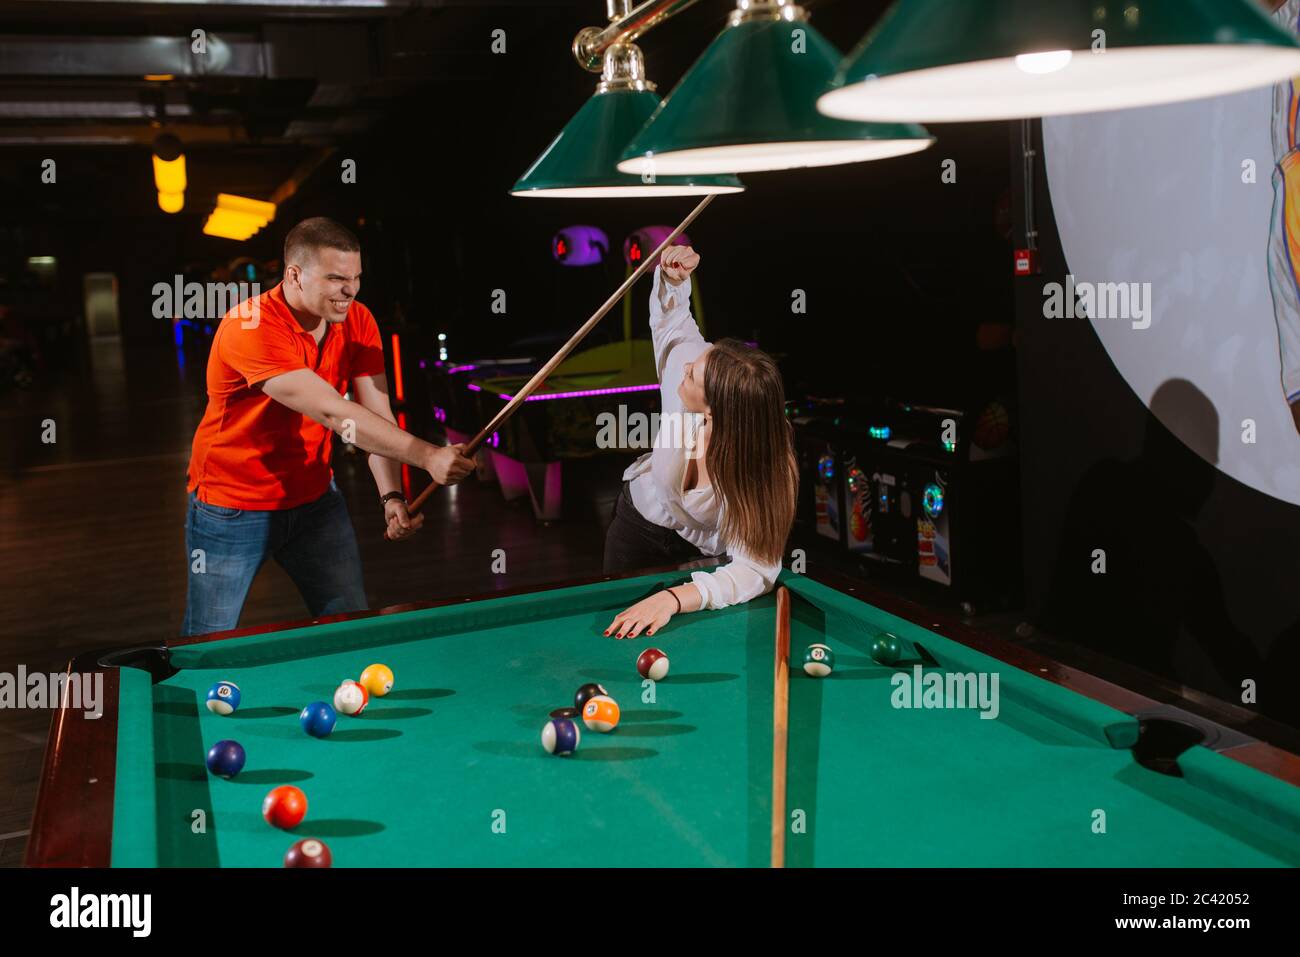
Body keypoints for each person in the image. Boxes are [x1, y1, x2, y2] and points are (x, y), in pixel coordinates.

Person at [183, 217, 473, 635]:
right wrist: (428, 455)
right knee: (206, 639)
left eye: (355, 278)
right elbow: (335, 413)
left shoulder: (357, 319)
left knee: (349, 625)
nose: (350, 290)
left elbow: (376, 417)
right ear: (294, 275)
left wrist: (391, 494)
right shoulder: (249, 326)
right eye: (336, 278)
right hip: (233, 506)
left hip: (316, 500)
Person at [602, 245, 798, 639]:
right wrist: (674, 278)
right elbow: (675, 324)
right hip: (638, 521)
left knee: (696, 639)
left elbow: (755, 570)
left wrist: (673, 598)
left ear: (714, 412)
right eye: (698, 362)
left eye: (693, 377)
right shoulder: (693, 368)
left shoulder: (765, 473)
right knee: (619, 624)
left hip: (706, 552)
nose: (687, 368)